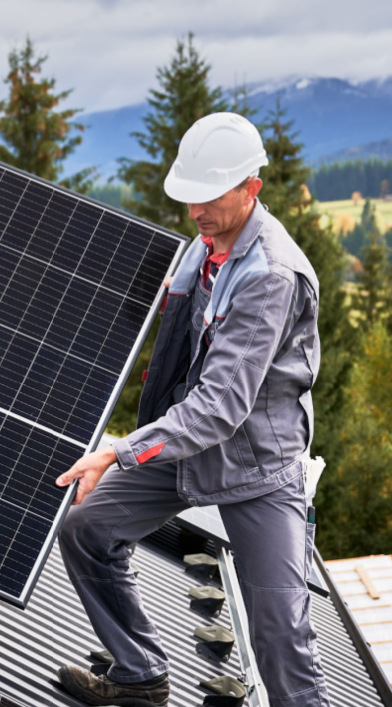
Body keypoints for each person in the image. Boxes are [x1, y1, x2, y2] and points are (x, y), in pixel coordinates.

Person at [53, 112, 331, 707]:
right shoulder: (201, 251)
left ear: (251, 188)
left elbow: (221, 408)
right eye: (190, 197)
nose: (197, 210)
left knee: (280, 633)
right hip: (187, 451)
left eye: (211, 196)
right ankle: (140, 676)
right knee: (87, 529)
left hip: (256, 468)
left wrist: (120, 450)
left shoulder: (270, 275)